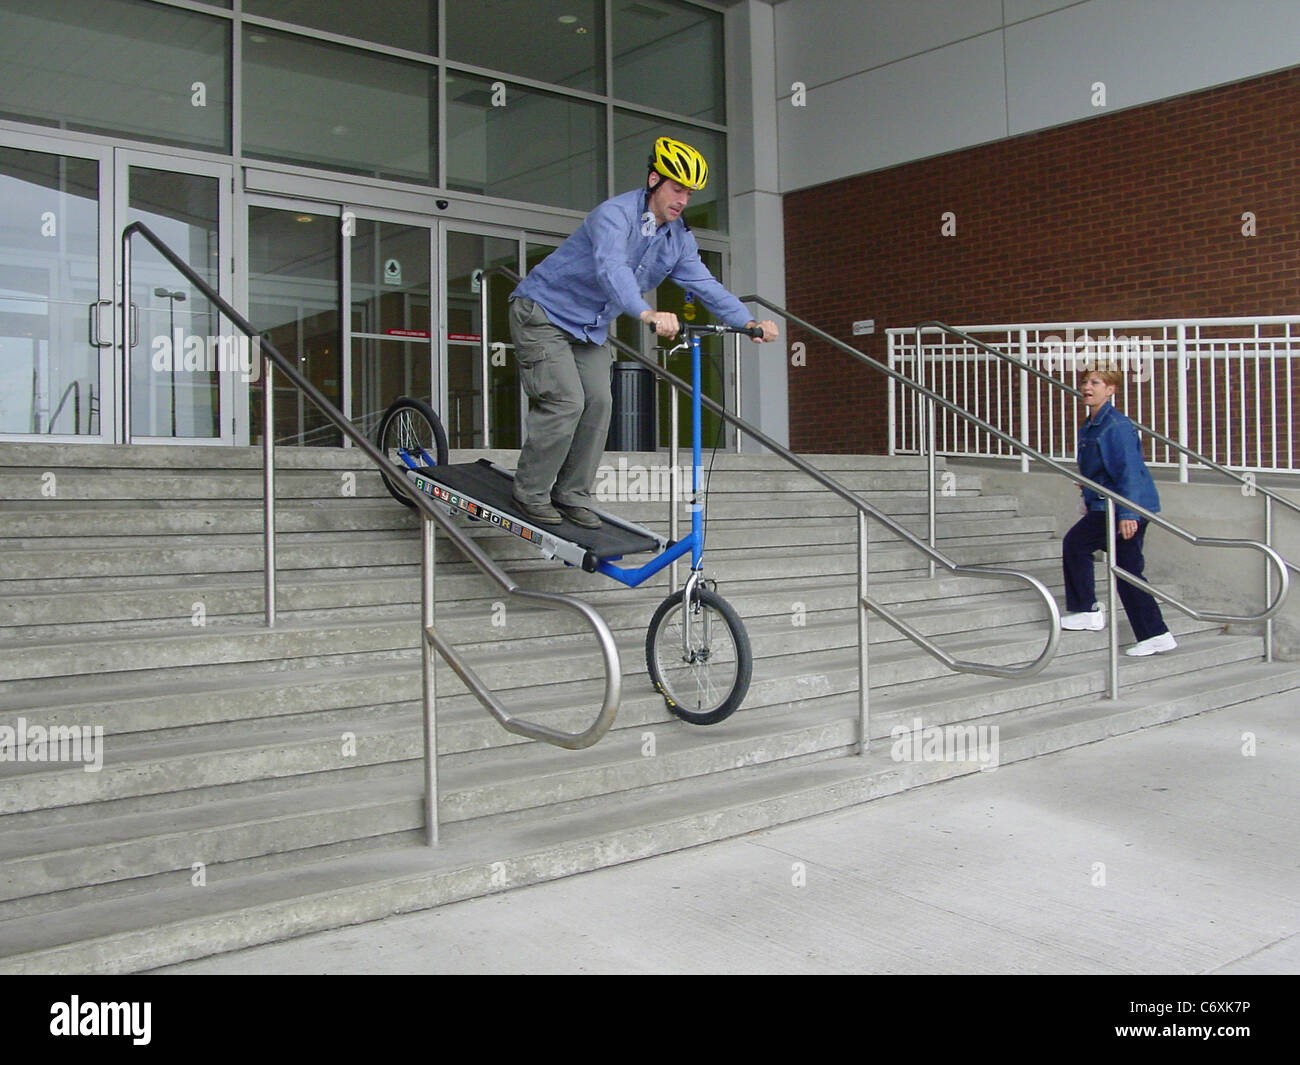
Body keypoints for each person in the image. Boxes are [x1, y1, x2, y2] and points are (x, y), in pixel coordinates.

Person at [507, 136, 779, 529]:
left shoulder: (678, 239)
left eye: (689, 192)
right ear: (654, 179)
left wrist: (747, 321)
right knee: (566, 401)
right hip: (543, 314)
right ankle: (529, 493)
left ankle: (570, 494)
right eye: (676, 187)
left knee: (599, 403)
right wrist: (646, 312)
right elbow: (611, 269)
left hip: (589, 328)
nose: (683, 199)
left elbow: (706, 286)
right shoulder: (613, 216)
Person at [1060, 368, 1177, 656]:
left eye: (1095, 383)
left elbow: (1129, 472)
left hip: (1120, 505)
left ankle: (1086, 610)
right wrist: (1087, 490)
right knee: (1127, 570)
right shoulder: (1090, 425)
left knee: (1075, 544)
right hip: (1108, 502)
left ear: (1111, 390)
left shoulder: (1116, 425)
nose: (1087, 387)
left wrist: (1128, 513)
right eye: (1085, 382)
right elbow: (1101, 470)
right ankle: (1156, 634)